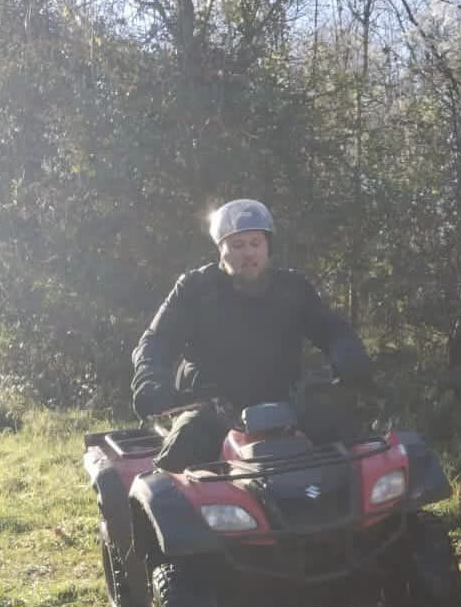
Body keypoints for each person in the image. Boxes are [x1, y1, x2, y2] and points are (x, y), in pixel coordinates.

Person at [130, 199, 374, 472]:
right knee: (182, 452)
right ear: (221, 249)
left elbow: (332, 328)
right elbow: (155, 342)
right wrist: (150, 380)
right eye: (237, 245)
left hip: (288, 406)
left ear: (268, 247)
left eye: (255, 243)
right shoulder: (194, 289)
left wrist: (348, 353)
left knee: (349, 441)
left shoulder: (293, 288)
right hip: (212, 411)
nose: (248, 253)